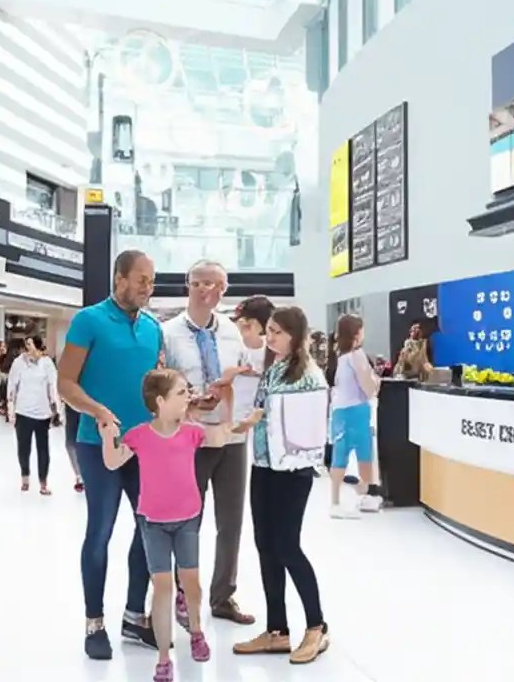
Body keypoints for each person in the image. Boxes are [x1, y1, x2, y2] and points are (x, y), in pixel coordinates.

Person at [58, 249, 161, 659]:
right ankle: (94, 622)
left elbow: (154, 386)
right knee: (100, 529)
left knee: (149, 529)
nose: (148, 287)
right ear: (119, 278)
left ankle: (135, 617)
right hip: (98, 443)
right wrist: (98, 411)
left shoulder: (153, 328)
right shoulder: (88, 320)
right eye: (141, 279)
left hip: (144, 445)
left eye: (151, 281)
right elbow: (66, 384)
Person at [160, 260, 255, 628]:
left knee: (230, 521)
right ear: (188, 285)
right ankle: (184, 596)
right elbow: (161, 384)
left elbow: (246, 376)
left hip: (231, 437)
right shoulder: (168, 333)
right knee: (187, 522)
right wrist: (188, 403)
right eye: (198, 282)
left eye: (213, 284)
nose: (205, 290)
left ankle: (223, 594)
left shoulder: (232, 332)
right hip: (190, 439)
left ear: (224, 289)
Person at [232, 306, 330, 664]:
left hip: (292, 470)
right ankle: (277, 630)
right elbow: (263, 411)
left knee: (287, 546)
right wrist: (250, 421)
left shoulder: (309, 375)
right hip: (264, 465)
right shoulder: (274, 368)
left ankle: (317, 626)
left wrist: (263, 416)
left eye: (276, 332)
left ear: (295, 335)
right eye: (268, 331)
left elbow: (306, 424)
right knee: (266, 545)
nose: (269, 338)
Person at [102, 369, 212, 680]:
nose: (188, 397)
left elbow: (220, 437)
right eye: (181, 393)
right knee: (162, 587)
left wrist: (236, 420)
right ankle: (163, 657)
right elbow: (112, 462)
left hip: (188, 519)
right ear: (160, 401)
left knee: (191, 582)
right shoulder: (139, 436)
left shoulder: (193, 433)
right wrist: (107, 437)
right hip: (153, 524)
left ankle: (196, 630)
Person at [328, 314, 381, 519]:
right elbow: (369, 389)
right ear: (357, 333)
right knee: (363, 453)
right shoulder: (357, 356)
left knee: (341, 454)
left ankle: (339, 500)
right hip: (356, 411)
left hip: (340, 411)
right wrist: (376, 381)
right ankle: (361, 495)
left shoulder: (338, 356)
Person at [7, 336, 60, 495]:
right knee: (23, 448)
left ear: (38, 346)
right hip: (23, 412)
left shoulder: (47, 363)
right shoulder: (19, 363)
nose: (27, 347)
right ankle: (25, 476)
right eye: (26, 344)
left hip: (42, 413)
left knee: (43, 450)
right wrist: (11, 408)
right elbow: (12, 386)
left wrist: (56, 407)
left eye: (30, 344)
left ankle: (43, 483)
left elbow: (53, 386)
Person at [64, 405, 85, 493]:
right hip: (72, 407)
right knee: (70, 444)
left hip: (90, 408)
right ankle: (79, 476)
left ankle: (86, 475)